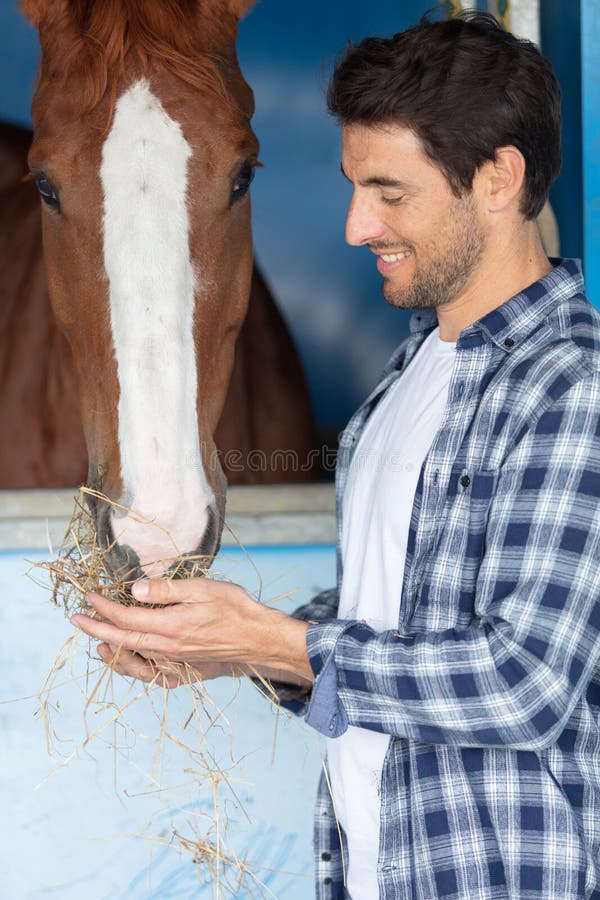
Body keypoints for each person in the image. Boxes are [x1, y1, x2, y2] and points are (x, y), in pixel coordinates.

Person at [72, 12, 600, 899]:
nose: (357, 226)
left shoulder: (571, 386)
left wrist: (276, 639)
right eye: (356, 187)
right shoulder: (414, 368)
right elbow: (395, 609)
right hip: (368, 870)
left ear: (500, 179)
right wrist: (228, 648)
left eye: (391, 192)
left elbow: (524, 682)